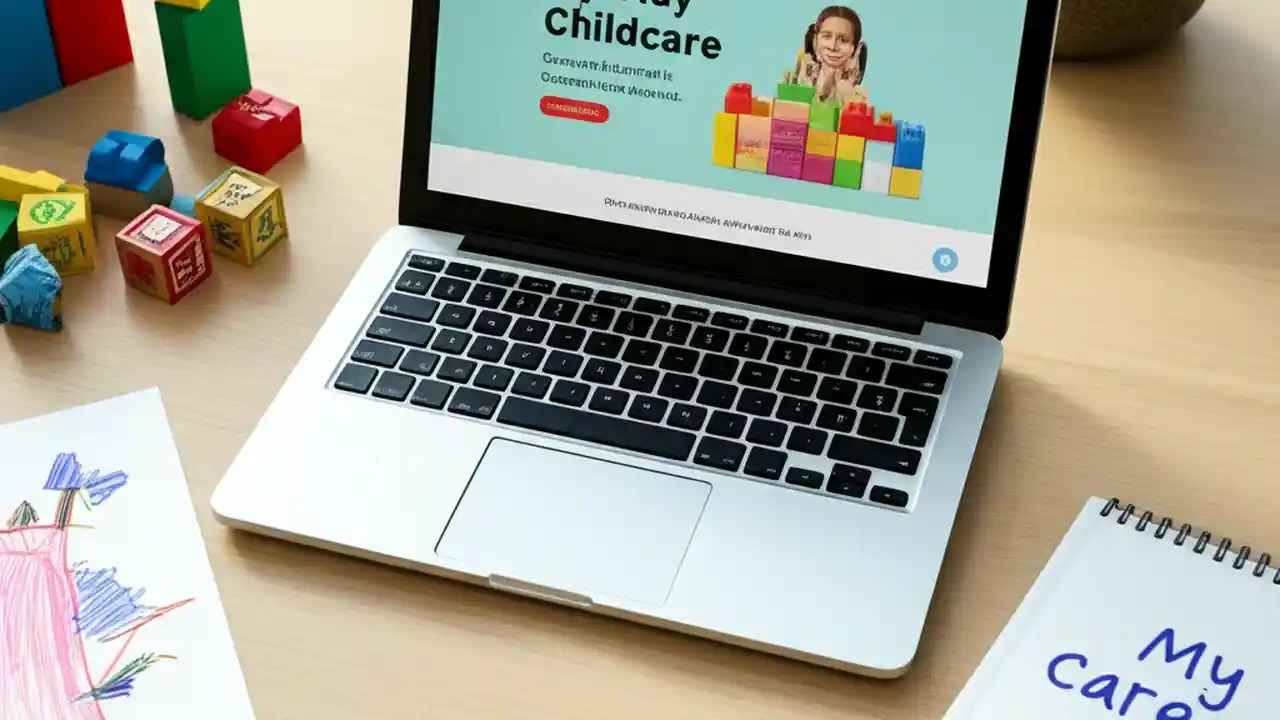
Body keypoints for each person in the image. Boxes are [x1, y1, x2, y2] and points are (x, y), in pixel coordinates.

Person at [782, 6, 869, 106]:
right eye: (826, 36)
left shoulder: (856, 94)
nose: (833, 46)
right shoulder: (800, 79)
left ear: (855, 48)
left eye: (843, 40)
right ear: (815, 39)